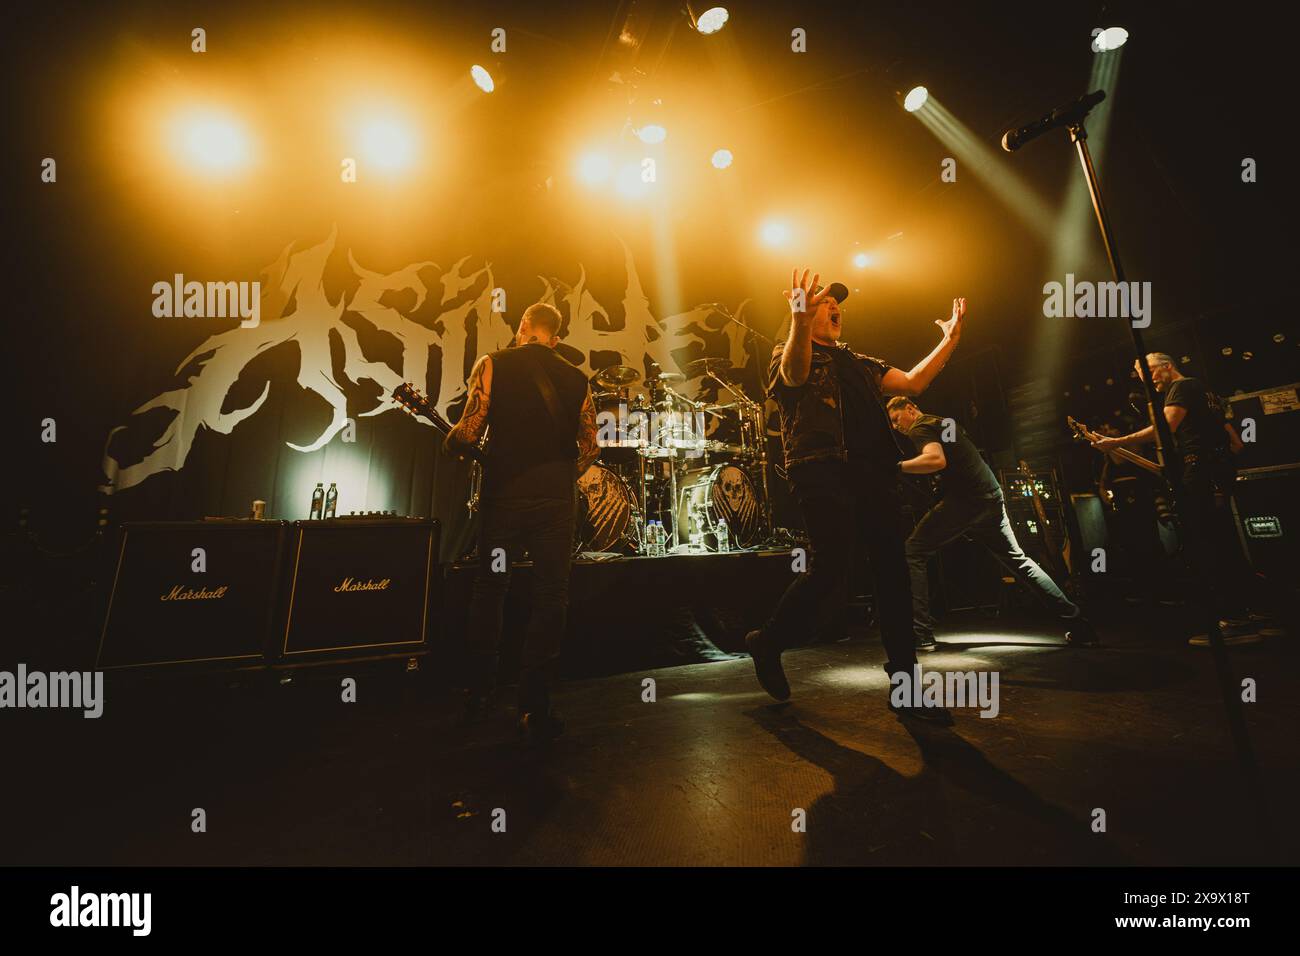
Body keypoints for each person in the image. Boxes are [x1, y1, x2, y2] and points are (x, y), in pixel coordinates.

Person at [745, 268, 966, 724]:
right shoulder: (785, 351)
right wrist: (799, 322)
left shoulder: (861, 362)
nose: (834, 306)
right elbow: (794, 375)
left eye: (836, 303)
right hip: (823, 472)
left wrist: (951, 339)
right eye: (825, 301)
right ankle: (767, 642)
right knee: (830, 571)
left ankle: (905, 689)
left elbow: (913, 384)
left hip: (875, 474)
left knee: (893, 576)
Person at [446, 302, 601, 742]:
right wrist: (556, 478)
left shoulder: (492, 363)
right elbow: (590, 448)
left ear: (522, 329)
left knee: (491, 588)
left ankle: (479, 695)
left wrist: (450, 440)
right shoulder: (577, 377)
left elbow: (470, 431)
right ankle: (535, 706)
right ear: (556, 336)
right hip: (556, 501)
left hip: (505, 498)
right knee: (552, 596)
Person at [887, 396, 1099, 649]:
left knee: (913, 551)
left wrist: (896, 468)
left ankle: (921, 636)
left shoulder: (921, 427)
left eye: (896, 419)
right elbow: (960, 457)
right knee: (1020, 562)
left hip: (968, 500)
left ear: (910, 409)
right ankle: (1078, 625)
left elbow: (936, 460)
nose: (895, 426)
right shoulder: (944, 423)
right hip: (991, 496)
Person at [1090, 353, 1265, 646]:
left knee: (1207, 542)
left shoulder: (1181, 388)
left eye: (1149, 373)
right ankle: (1256, 611)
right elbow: (1236, 441)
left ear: (1166, 366)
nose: (1147, 380)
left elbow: (1165, 427)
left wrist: (1116, 443)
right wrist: (1218, 465)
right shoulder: (1205, 391)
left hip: (1200, 470)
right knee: (1225, 540)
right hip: (1214, 470)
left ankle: (1234, 620)